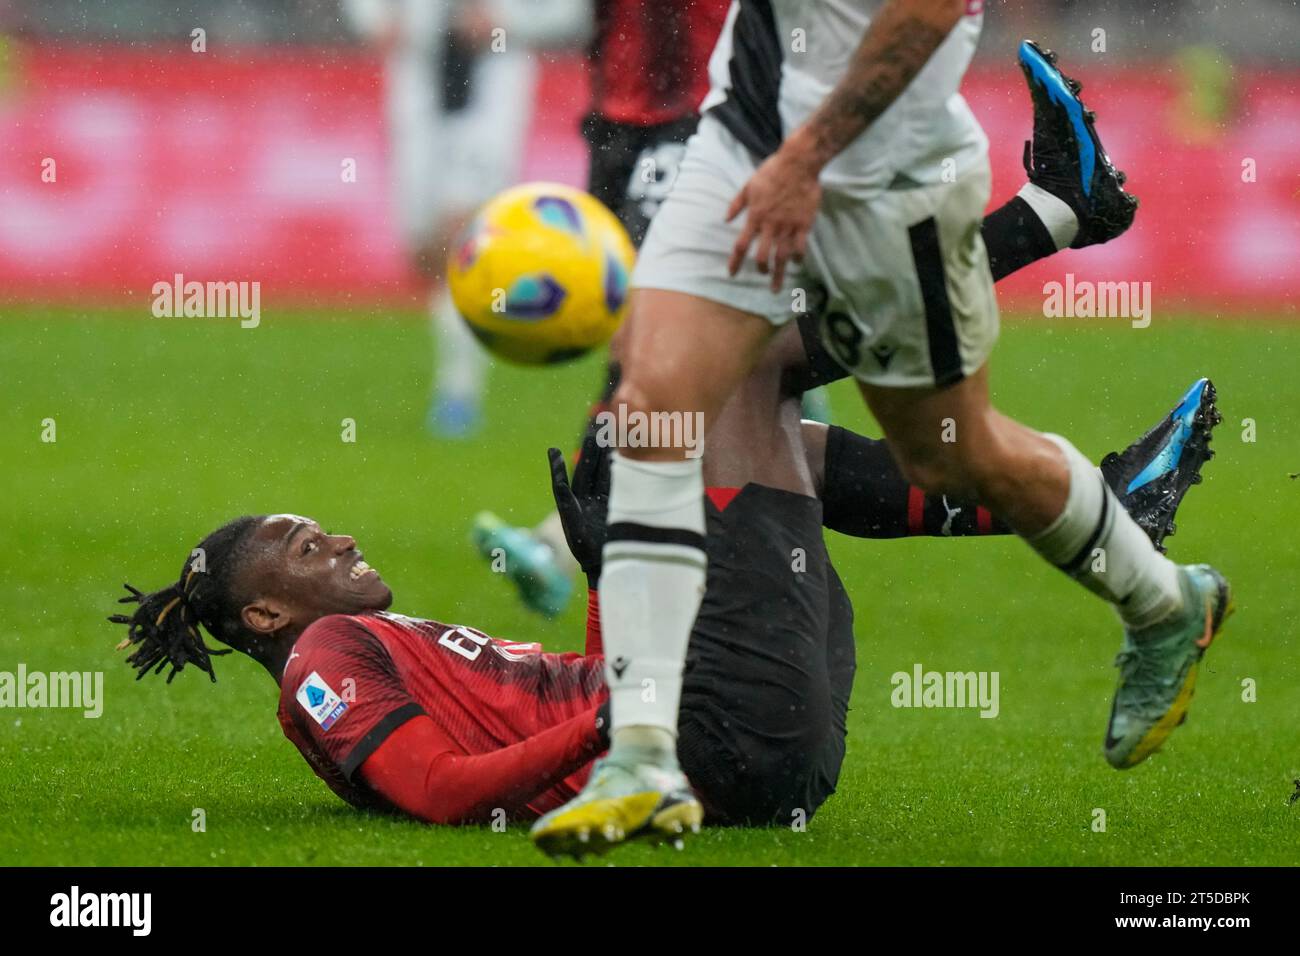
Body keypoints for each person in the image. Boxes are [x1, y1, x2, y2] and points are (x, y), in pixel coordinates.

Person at [532, 6, 1232, 856]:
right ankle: (641, 760)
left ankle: (1159, 597)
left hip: (884, 163)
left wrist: (805, 158)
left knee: (949, 451)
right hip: (741, 134)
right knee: (652, 402)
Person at [109, 373, 1220, 837]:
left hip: (743, 732)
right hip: (723, 740)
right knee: (696, 393)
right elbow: (443, 791)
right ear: (263, 617)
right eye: (307, 546)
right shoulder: (327, 661)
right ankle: (1088, 491)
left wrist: (610, 573)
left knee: (728, 419)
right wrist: (617, 717)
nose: (340, 538)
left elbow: (575, 693)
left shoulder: (357, 643)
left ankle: (1092, 508)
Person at [343, 0, 591, 438]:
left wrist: (505, 22)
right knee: (423, 252)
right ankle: (461, 375)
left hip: (490, 91)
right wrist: (377, 21)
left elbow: (571, 11)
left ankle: (458, 395)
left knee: (460, 240)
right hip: (418, 87)